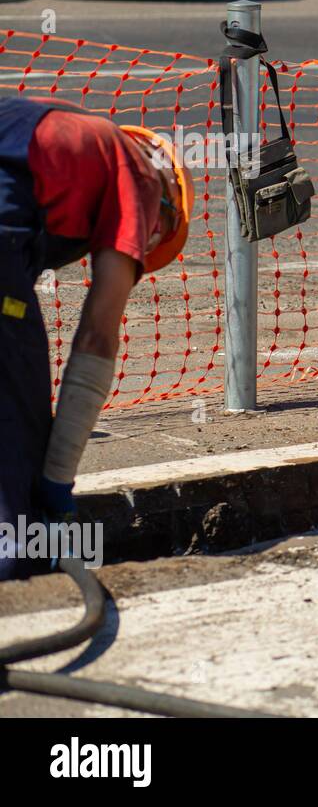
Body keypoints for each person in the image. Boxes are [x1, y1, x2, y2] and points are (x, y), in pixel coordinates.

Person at [0, 95, 192, 581]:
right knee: (15, 423)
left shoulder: (65, 131)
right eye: (154, 236)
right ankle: (17, 571)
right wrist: (57, 479)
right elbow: (96, 338)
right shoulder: (142, 177)